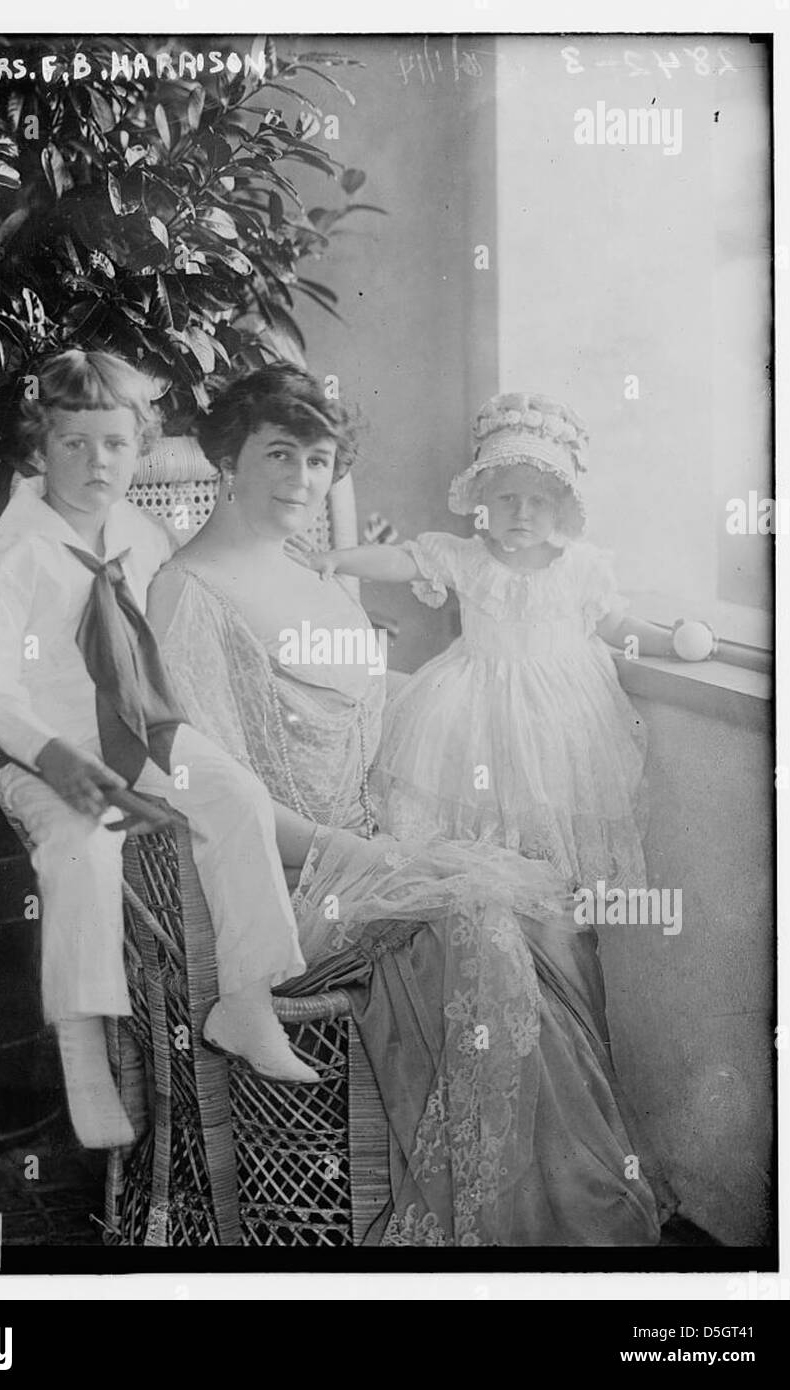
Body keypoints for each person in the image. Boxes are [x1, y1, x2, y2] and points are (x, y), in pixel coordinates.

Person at [146, 364, 673, 1245]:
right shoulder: (189, 592)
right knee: (483, 920)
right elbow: (206, 791)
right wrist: (349, 851)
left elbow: (362, 708)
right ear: (227, 457)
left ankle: (546, 1222)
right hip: (283, 887)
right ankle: (509, 1233)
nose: (302, 481)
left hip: (373, 843)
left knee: (539, 906)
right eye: (279, 454)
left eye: (319, 461)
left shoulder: (304, 567)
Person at [0, 350, 323, 1151]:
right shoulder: (10, 557)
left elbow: (172, 635)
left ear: (139, 447)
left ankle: (246, 999)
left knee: (237, 796)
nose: (98, 462)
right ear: (39, 447)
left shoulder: (142, 536)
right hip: (43, 752)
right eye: (75, 444)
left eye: (115, 444)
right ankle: (84, 1053)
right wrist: (52, 756)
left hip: (141, 732)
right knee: (82, 848)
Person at [290, 392, 716, 891]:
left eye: (538, 501)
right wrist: (334, 559)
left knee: (547, 811)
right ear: (482, 502)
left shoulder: (580, 568)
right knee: (475, 819)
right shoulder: (467, 557)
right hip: (476, 702)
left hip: (561, 714)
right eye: (508, 498)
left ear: (561, 509)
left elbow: (617, 625)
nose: (522, 513)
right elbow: (403, 560)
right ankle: (485, 897)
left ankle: (543, 906)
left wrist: (672, 641)